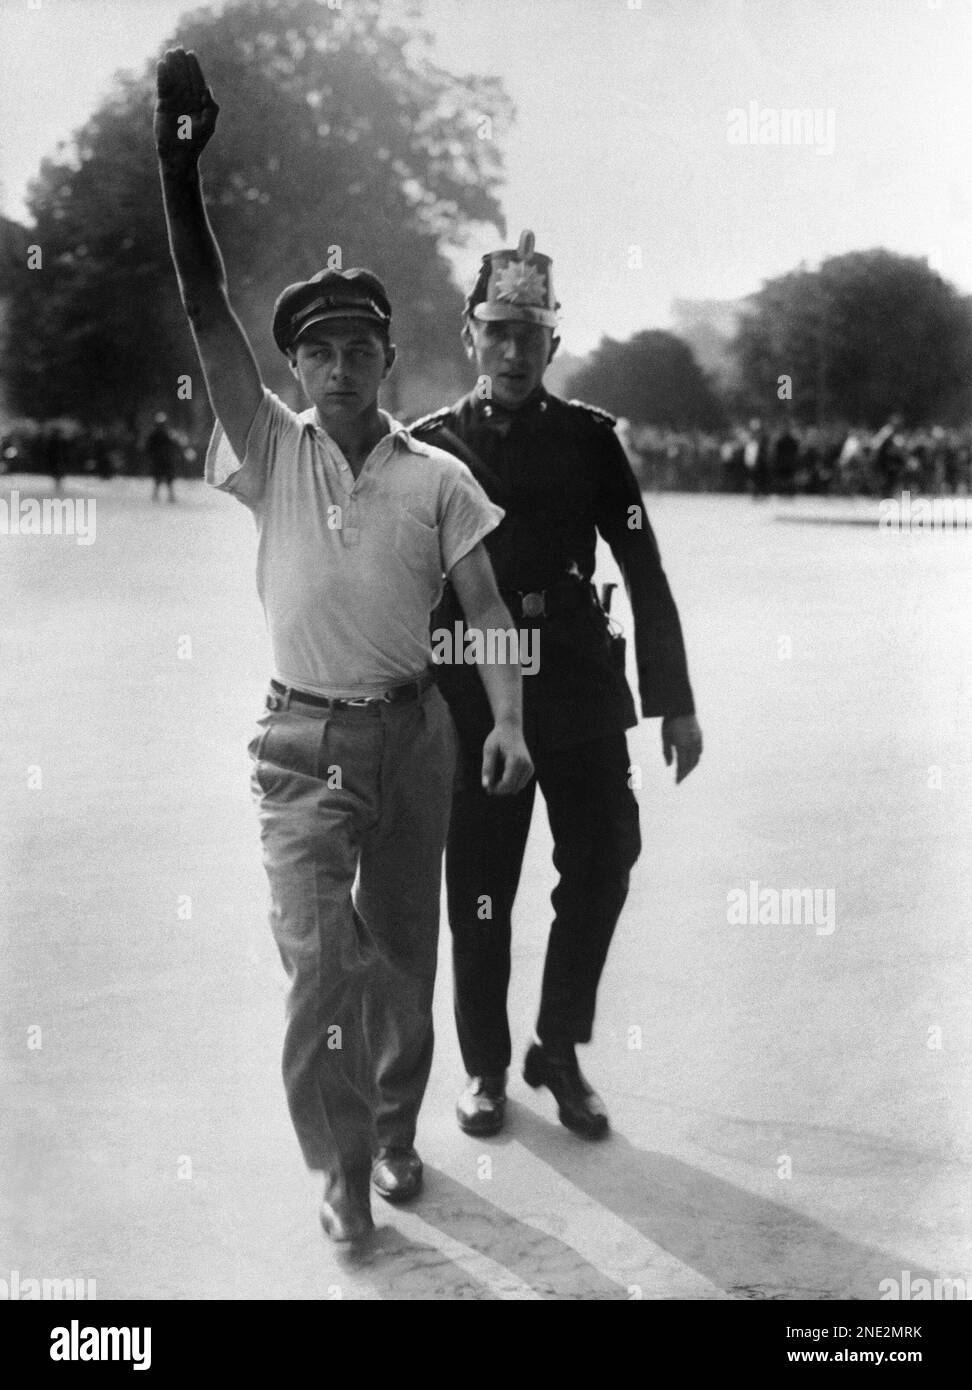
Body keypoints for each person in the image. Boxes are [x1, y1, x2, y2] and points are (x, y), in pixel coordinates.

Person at [154, 48, 533, 1245]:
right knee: (324, 969)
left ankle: (394, 1129)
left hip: (414, 735)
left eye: (357, 348)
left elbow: (484, 608)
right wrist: (180, 175)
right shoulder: (270, 450)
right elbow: (211, 314)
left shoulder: (439, 479)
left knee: (403, 955)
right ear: (298, 369)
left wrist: (510, 722)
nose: (335, 365)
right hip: (302, 744)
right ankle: (338, 1165)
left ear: (387, 362)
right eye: (314, 351)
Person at [411, 231, 702, 1141]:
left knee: (606, 862)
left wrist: (675, 699)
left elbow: (643, 569)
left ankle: (557, 1048)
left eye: (528, 335)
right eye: (495, 329)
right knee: (482, 888)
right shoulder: (431, 447)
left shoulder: (590, 442)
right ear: (470, 332)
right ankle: (487, 1069)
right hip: (473, 689)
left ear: (553, 346)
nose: (510, 350)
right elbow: (404, 587)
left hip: (574, 684)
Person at [144, 412, 181, 501]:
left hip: (161, 459)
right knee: (165, 478)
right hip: (163, 459)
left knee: (162, 478)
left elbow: (148, 447)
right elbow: (174, 445)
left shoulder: (157, 434)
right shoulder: (167, 434)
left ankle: (160, 495)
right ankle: (166, 496)